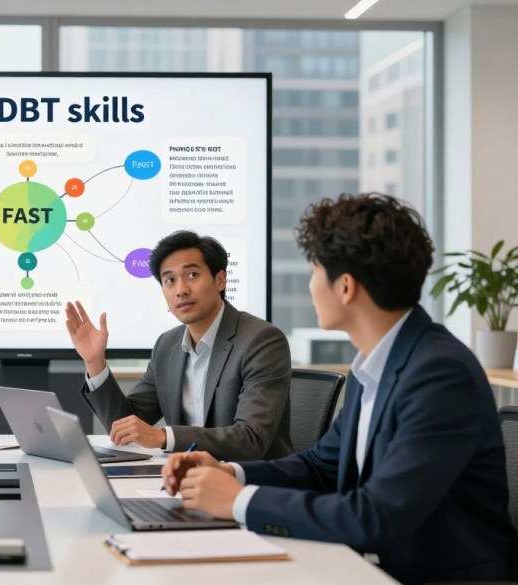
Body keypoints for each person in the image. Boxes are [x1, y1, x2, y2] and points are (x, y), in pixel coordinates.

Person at [162, 194, 518, 584]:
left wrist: (238, 501)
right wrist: (229, 471)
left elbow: (376, 516)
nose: (311, 285)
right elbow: (320, 467)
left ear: (345, 286)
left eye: (314, 271)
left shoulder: (439, 374)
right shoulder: (379, 364)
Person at [65, 230, 292, 460]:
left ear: (220, 280)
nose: (181, 290)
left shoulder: (261, 340)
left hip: (249, 483)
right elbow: (125, 425)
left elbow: (251, 439)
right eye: (170, 280)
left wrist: (165, 437)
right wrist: (95, 361)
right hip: (186, 480)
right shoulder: (167, 345)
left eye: (192, 275)